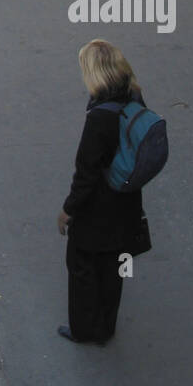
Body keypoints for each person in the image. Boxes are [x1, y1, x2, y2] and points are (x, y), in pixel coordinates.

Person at [57, 40, 149, 345]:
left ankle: (84, 329)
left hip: (98, 207)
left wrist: (68, 209)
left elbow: (86, 172)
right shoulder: (134, 97)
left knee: (81, 266)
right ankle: (106, 327)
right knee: (113, 269)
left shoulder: (99, 117)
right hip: (127, 201)